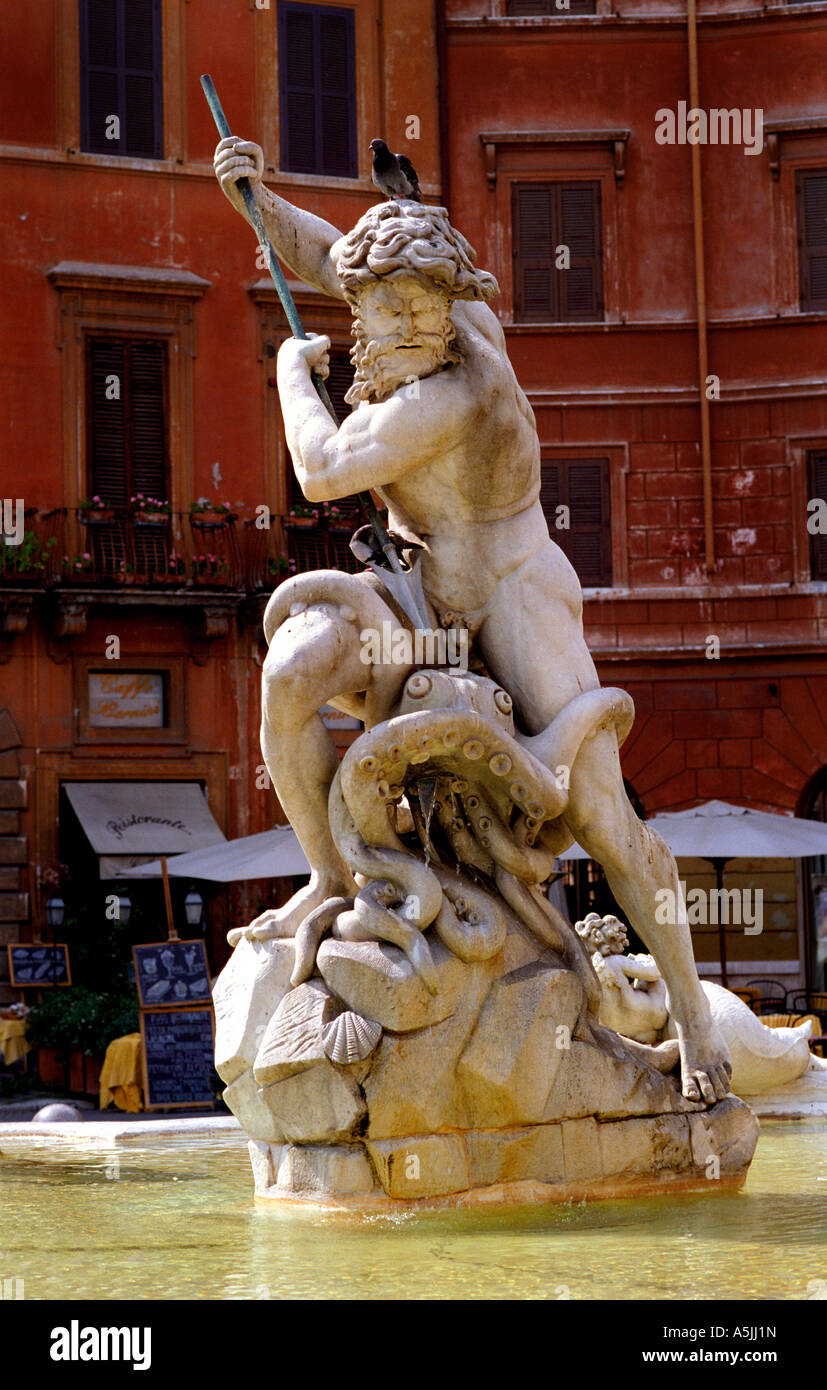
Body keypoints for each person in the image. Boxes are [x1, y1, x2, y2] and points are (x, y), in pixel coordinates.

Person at [213, 136, 732, 1106]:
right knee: (291, 674)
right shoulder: (388, 310)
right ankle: (336, 876)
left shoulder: (455, 387)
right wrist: (255, 198)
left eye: (425, 308)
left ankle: (693, 1019)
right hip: (415, 594)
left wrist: (291, 370)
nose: (410, 324)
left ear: (455, 302)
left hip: (511, 592)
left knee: (600, 817)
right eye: (387, 308)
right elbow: (326, 253)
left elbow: (323, 471)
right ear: (360, 308)